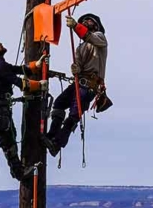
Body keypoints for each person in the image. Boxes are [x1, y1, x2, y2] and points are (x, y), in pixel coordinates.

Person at [46, 13, 110, 156]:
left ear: (96, 24)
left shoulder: (100, 38)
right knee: (59, 103)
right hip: (79, 83)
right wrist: (76, 69)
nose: (86, 22)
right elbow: (79, 66)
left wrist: (76, 26)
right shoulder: (81, 48)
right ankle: (51, 135)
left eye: (89, 20)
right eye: (83, 21)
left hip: (89, 86)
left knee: (74, 114)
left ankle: (58, 143)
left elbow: (89, 37)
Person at [0, 37, 40, 180]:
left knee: (10, 136)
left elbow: (15, 70)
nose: (1, 44)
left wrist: (34, 66)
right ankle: (19, 172)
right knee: (7, 140)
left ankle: (18, 170)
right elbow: (18, 82)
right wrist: (39, 85)